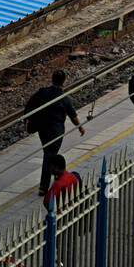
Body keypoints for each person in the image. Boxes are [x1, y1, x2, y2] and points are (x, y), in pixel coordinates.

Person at [25, 69, 86, 198]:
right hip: (56, 132)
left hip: (42, 129)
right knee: (49, 156)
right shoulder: (64, 98)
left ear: (52, 79)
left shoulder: (43, 92)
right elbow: (73, 115)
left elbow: (30, 104)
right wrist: (80, 127)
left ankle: (56, 176)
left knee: (49, 154)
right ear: (64, 82)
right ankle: (44, 187)